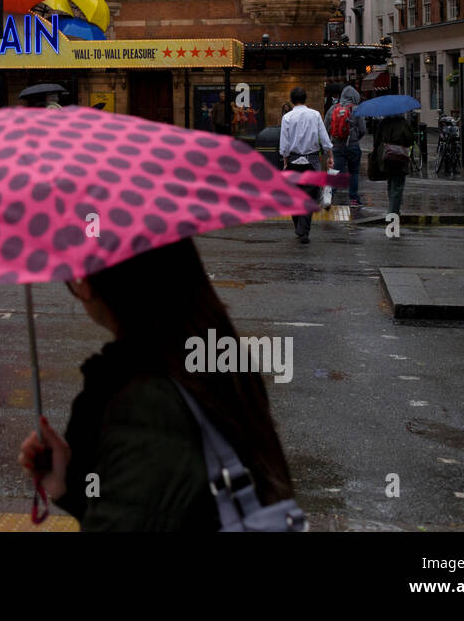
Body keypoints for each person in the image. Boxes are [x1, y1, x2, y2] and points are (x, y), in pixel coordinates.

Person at [18, 239, 296, 531]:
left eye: (76, 277)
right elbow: (165, 507)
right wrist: (68, 483)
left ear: (91, 284)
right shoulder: (214, 355)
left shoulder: (143, 402)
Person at [278, 86, 333, 244]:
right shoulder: (315, 115)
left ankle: (299, 227)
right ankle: (304, 231)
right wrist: (330, 155)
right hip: (312, 161)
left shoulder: (287, 117)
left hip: (294, 160)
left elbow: (284, 142)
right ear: (305, 98)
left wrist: (285, 160)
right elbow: (324, 138)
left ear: (292, 99)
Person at [324, 84, 367, 207]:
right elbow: (363, 129)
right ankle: (354, 199)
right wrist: (355, 138)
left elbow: (325, 128)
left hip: (337, 145)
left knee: (335, 171)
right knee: (353, 172)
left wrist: (330, 142)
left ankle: (328, 197)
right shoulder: (356, 109)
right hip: (353, 145)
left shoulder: (333, 109)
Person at [372, 111, 416, 225]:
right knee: (397, 187)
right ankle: (393, 214)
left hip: (386, 159)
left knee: (391, 183)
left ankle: (394, 209)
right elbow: (411, 139)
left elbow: (376, 141)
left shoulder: (383, 123)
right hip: (400, 159)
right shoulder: (403, 123)